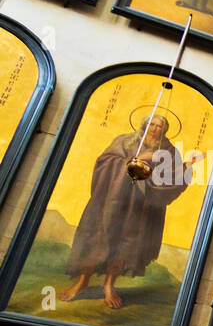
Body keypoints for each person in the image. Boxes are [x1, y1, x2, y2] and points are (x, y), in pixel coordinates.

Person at [60, 115, 198, 309]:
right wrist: (139, 159)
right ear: (144, 125)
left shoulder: (168, 151)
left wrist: (187, 166)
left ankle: (109, 286)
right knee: (97, 239)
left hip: (141, 207)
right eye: (152, 124)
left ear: (165, 130)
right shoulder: (125, 141)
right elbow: (104, 162)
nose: (155, 129)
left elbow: (171, 179)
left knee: (126, 245)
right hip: (111, 200)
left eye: (160, 126)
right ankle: (82, 282)